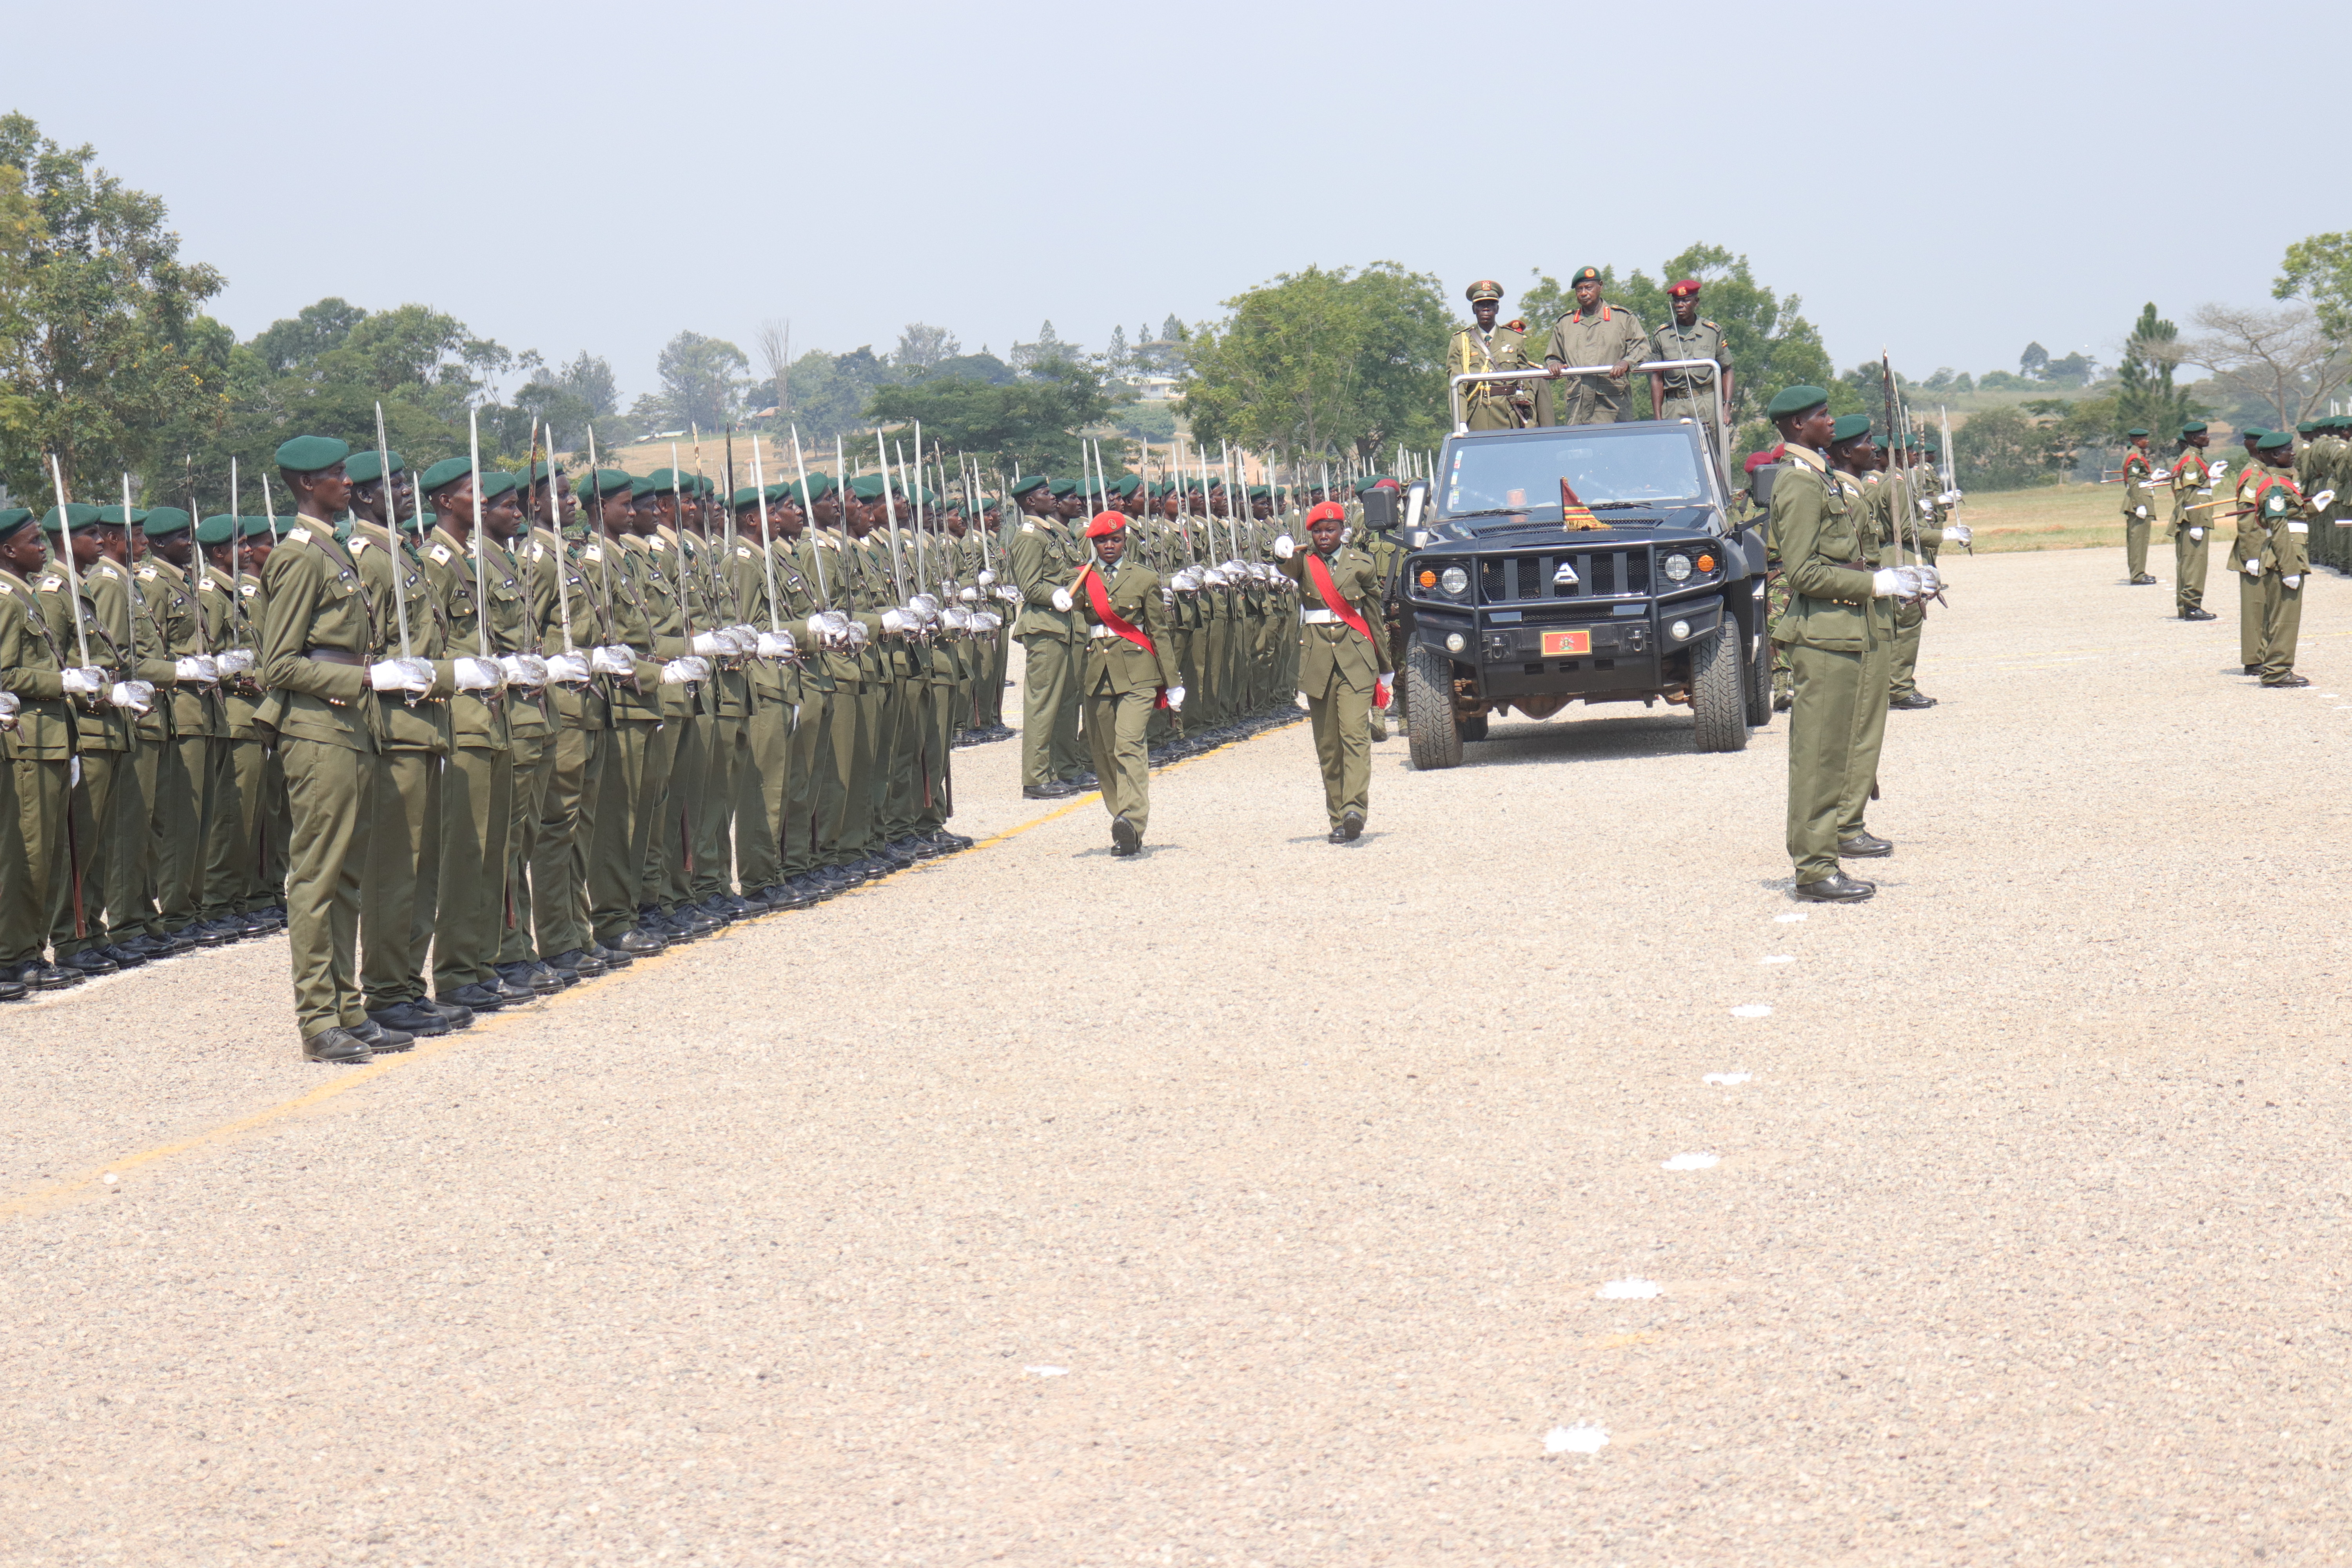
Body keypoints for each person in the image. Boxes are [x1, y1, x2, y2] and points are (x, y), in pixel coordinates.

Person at [254, 435, 411, 1063]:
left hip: (351, 724)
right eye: (335, 476)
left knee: (347, 874)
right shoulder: (300, 557)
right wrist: (363, 679)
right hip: (318, 727)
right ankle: (318, 1019)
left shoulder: (335, 551)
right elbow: (278, 664)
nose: (348, 483)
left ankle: (348, 1007)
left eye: (347, 474)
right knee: (317, 876)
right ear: (304, 486)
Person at [1764, 387, 1918, 903]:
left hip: (1840, 634)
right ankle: (1813, 868)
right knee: (1819, 760)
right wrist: (1876, 586)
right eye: (1821, 417)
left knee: (1833, 757)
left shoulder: (1820, 478)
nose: (1831, 423)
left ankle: (1822, 856)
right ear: (1795, 426)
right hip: (1823, 637)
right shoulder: (1798, 483)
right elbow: (1805, 571)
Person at [1062, 511, 1181, 856]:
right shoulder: (1083, 578)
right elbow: (1058, 597)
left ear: (1125, 540)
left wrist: (1172, 682)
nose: (1109, 546)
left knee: (1129, 743)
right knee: (1102, 751)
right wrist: (1060, 598)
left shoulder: (1143, 578)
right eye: (1102, 541)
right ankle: (1122, 821)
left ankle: (1133, 818)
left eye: (1115, 540)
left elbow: (1159, 631)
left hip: (1139, 673)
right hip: (1098, 674)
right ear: (1094, 544)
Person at [0, 505, 84, 994]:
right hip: (26, 743)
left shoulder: (25, 595)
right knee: (25, 855)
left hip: (49, 741)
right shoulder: (8, 600)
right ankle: (11, 955)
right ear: (9, 549)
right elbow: (6, 674)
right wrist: (62, 680)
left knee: (46, 854)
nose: (43, 549)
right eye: (34, 542)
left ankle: (30, 950)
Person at [1275, 499, 1391, 842]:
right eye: (1317, 531)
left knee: (1355, 735)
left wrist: (1385, 667)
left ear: (1343, 531)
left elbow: (1373, 617)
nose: (1324, 536)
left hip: (1356, 659)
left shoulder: (1362, 564)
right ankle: (1338, 819)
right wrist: (1279, 552)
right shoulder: (1304, 562)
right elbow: (1285, 565)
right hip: (1318, 663)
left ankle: (1355, 809)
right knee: (1328, 745)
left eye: (1330, 530)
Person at [1008, 475, 1086, 798]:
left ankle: (1065, 769)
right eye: (1045, 493)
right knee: (1043, 705)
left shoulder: (1053, 532)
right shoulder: (1029, 536)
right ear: (1030, 502)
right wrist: (1054, 594)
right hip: (1045, 626)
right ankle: (1036, 777)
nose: (1052, 497)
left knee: (1068, 703)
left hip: (1066, 626)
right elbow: (1030, 585)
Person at [2243, 429, 2323, 687]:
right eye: (2289, 450)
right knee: (2284, 618)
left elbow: (2293, 517)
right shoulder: (2276, 486)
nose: (2293, 453)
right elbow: (2279, 528)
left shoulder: (2282, 482)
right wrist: (2290, 569)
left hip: (2288, 555)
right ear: (2276, 455)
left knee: (2281, 616)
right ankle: (2277, 671)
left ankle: (2275, 667)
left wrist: (2315, 507)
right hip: (2284, 558)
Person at [1538, 266, 1649, 426]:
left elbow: (1642, 348)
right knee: (1580, 447)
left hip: (1613, 402)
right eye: (1579, 289)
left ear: (1601, 286)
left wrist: (1626, 363)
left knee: (1615, 446)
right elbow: (1553, 356)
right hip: (1578, 402)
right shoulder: (1566, 323)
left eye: (1589, 288)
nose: (1584, 293)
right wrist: (1554, 364)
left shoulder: (1622, 318)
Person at [1446, 281, 1535, 430]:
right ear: (1474, 309)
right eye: (1481, 305)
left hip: (1508, 413)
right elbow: (1457, 386)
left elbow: (1526, 384)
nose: (1486, 308)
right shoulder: (1460, 341)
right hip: (1476, 414)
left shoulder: (1515, 339)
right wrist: (1461, 421)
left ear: (1497, 309)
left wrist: (1530, 423)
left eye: (1491, 304)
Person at [1648, 279, 1732, 427]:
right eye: (1677, 301)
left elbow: (1727, 370)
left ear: (1697, 302)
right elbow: (1657, 377)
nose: (1680, 305)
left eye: (1686, 301)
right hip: (1674, 405)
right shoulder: (1662, 334)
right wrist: (1658, 417)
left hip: (1706, 403)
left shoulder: (1712, 332)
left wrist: (1727, 407)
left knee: (1712, 448)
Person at [2169, 421, 2220, 621]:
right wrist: (2196, 522)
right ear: (2193, 439)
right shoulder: (2191, 460)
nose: (2208, 438)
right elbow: (2190, 493)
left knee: (2188, 563)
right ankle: (2192, 605)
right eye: (2203, 436)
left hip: (2194, 516)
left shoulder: (2194, 458)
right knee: (2194, 564)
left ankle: (2185, 606)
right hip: (2194, 518)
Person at [2119, 428, 2159, 585]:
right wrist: (2139, 505)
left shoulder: (2137, 455)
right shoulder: (2135, 457)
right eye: (2145, 439)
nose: (2147, 442)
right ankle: (2137, 575)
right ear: (2137, 441)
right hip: (2139, 499)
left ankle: (2139, 571)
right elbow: (2133, 481)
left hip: (2141, 496)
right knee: (2138, 540)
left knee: (2140, 539)